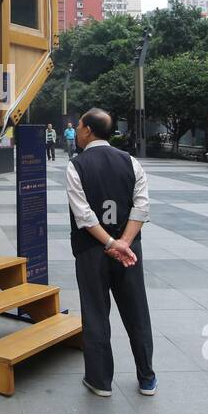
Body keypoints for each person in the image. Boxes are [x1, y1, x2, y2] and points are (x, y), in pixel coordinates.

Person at [65, 107, 155, 397]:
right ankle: (146, 378)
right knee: (136, 311)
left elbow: (85, 216)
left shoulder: (76, 166)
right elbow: (141, 207)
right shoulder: (131, 162)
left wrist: (109, 244)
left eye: (79, 126)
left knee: (95, 313)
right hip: (129, 252)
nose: (77, 131)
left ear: (88, 130)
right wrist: (124, 243)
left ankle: (100, 381)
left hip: (92, 251)